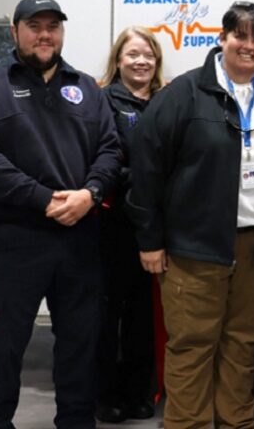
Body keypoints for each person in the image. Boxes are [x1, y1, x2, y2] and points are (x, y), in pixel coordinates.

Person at [0, 0, 120, 429]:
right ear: (15, 32)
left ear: (62, 32)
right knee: (5, 343)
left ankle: (75, 422)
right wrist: (42, 199)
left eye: (53, 26)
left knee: (79, 344)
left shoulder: (87, 88)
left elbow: (110, 150)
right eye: (34, 26)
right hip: (17, 238)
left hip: (79, 237)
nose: (44, 34)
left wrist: (90, 192)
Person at [127, 2, 254, 428]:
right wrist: (150, 240)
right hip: (193, 248)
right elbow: (145, 171)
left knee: (242, 344)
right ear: (222, 38)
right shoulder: (183, 95)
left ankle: (236, 423)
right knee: (193, 347)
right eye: (241, 36)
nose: (249, 46)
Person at [95, 27, 164, 423]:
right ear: (118, 60)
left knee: (144, 317)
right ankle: (106, 394)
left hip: (156, 227)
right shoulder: (103, 101)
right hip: (114, 225)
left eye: (148, 54)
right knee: (108, 316)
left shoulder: (168, 100)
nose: (141, 61)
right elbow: (104, 159)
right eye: (132, 54)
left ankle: (140, 391)